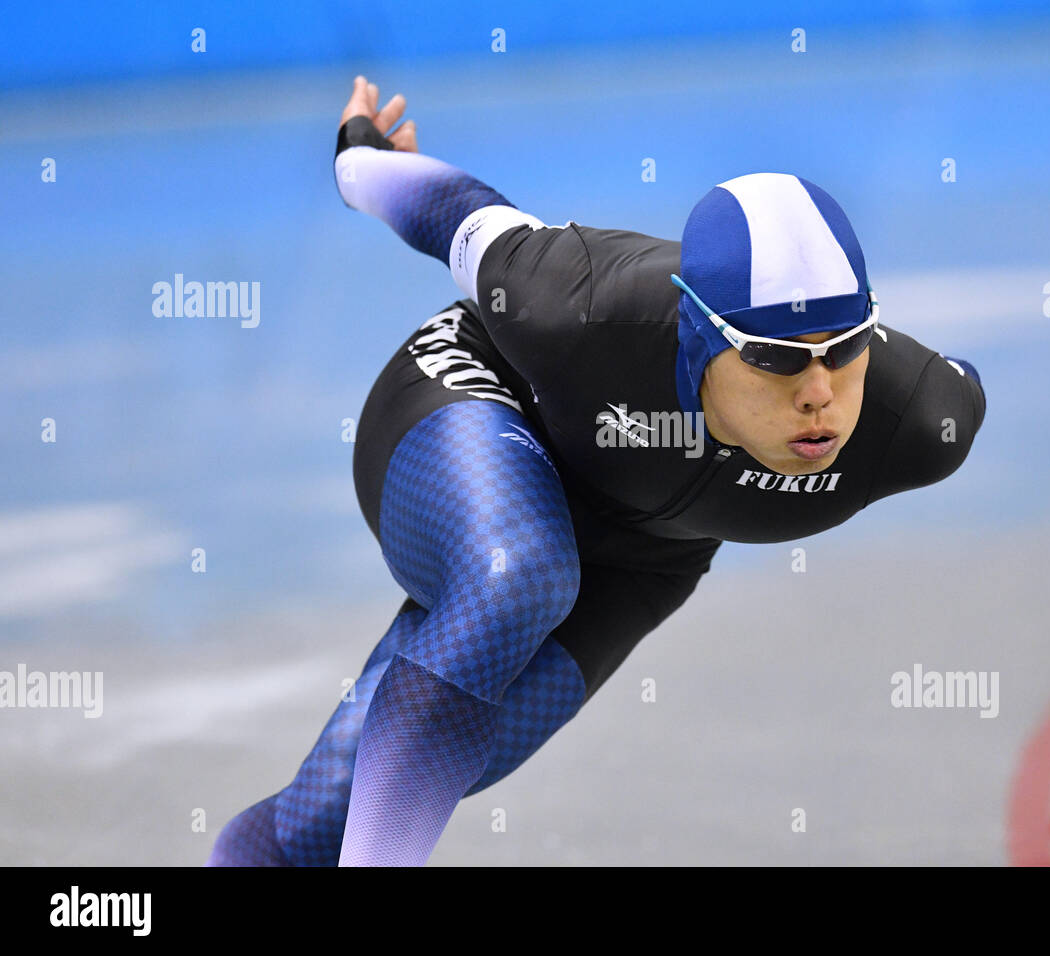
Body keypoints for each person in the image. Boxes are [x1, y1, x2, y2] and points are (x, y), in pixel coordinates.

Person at [207, 76, 987, 866]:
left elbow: (942, 380)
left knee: (327, 820)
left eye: (844, 348)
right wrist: (359, 157)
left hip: (641, 556)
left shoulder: (918, 419)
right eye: (776, 360)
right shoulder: (575, 299)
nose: (819, 395)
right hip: (475, 408)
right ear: (699, 338)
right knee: (521, 572)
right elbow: (459, 214)